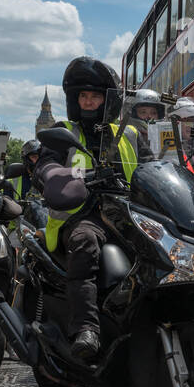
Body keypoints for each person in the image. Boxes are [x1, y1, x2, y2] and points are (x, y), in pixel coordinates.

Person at [37, 57, 148, 362]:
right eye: (83, 96)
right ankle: (87, 328)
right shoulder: (64, 130)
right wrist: (58, 175)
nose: (88, 102)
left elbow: (153, 168)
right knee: (85, 242)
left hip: (127, 214)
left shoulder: (130, 134)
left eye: (95, 96)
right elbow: (46, 163)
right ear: (75, 99)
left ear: (106, 100)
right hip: (82, 213)